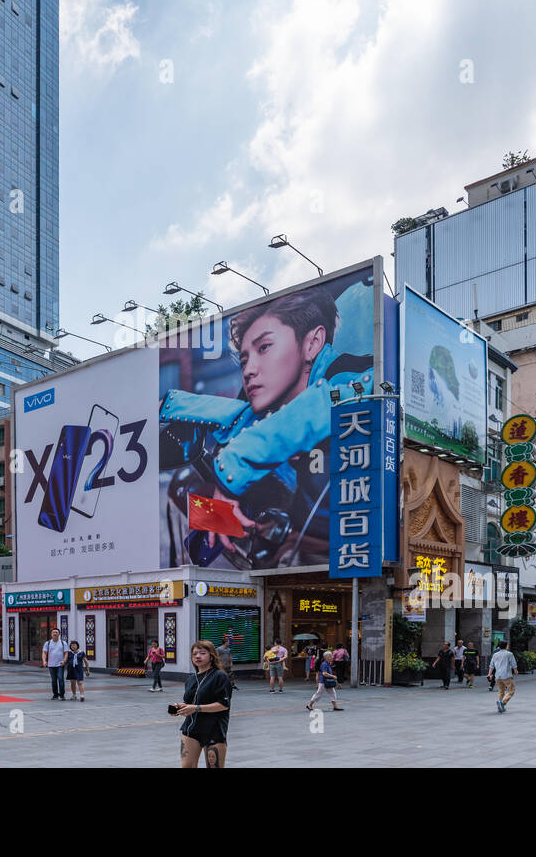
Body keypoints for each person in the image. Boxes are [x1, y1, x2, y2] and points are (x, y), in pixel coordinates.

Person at [159, 284, 375, 570]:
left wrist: (232, 472)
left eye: (264, 347)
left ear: (312, 343)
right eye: (245, 358)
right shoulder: (267, 410)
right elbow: (239, 417)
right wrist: (165, 407)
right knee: (187, 489)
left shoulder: (358, 378)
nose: (248, 369)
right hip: (275, 566)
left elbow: (316, 408)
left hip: (349, 557)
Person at [173, 641, 232, 768]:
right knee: (187, 766)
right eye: (194, 654)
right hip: (191, 729)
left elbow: (224, 704)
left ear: (211, 656)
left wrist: (196, 708)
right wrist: (182, 707)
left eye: (202, 653)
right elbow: (191, 702)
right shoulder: (191, 679)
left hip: (214, 729)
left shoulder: (220, 676)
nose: (197, 656)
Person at [489, 641, 517, 713]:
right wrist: (515, 670)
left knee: (501, 691)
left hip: (497, 676)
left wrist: (489, 674)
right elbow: (513, 663)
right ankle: (502, 703)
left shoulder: (495, 654)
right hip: (506, 675)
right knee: (511, 691)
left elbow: (491, 665)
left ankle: (501, 706)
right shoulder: (509, 654)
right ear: (506, 646)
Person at [42, 628, 67, 700]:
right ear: (51, 634)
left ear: (59, 634)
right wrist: (44, 661)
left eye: (56, 632)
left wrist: (64, 661)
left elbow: (66, 653)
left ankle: (62, 695)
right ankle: (55, 695)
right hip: (51, 665)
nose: (55, 633)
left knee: (60, 678)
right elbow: (44, 652)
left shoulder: (63, 643)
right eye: (54, 632)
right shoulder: (48, 643)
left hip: (60, 664)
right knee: (53, 680)